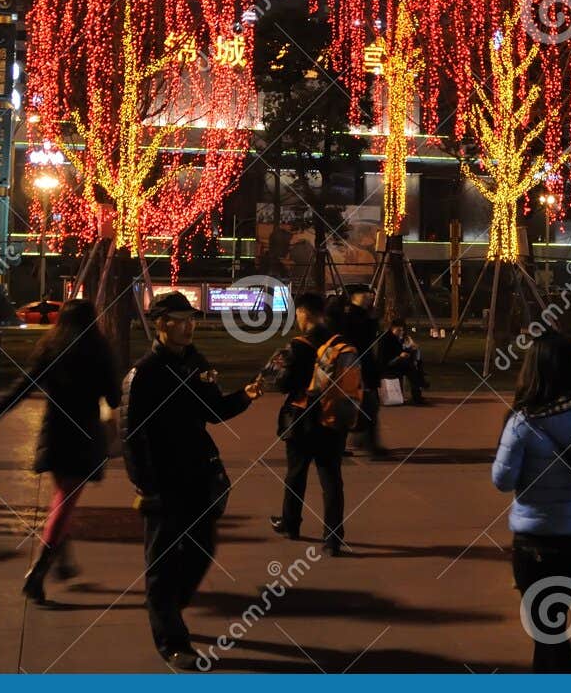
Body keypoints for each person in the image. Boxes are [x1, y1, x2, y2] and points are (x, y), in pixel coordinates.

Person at [121, 291, 262, 671]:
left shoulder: (196, 364)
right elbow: (132, 434)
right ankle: (171, 639)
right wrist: (145, 486)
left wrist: (244, 396)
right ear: (161, 323)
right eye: (180, 320)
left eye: (191, 319)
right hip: (163, 482)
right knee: (162, 563)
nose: (189, 326)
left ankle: (168, 606)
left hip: (199, 475)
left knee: (201, 551)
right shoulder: (144, 373)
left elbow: (212, 411)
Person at [0, 299, 120, 604]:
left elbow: (21, 386)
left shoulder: (51, 349)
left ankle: (63, 560)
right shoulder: (99, 351)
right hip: (83, 435)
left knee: (61, 499)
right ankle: (39, 571)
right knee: (65, 502)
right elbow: (114, 397)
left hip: (54, 432)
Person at [491, 330, 571, 672]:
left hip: (534, 537)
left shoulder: (521, 423)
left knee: (546, 630)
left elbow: (502, 481)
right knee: (551, 625)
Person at [270, 293, 348, 553]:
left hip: (303, 418)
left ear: (306, 313)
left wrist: (279, 371)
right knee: (331, 479)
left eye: (298, 313)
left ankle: (291, 524)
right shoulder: (338, 342)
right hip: (332, 417)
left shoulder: (299, 345)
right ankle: (333, 537)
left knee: (296, 473)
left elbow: (285, 383)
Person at [345, 286, 389, 457]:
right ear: (355, 296)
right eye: (366, 294)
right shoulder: (352, 317)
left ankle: (361, 440)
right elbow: (364, 338)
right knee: (368, 406)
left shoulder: (363, 315)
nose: (370, 297)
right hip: (356, 366)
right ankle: (370, 444)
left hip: (363, 366)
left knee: (364, 406)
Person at [381, 316, 428, 405]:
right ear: (392, 328)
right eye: (399, 330)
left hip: (398, 363)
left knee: (412, 366)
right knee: (411, 367)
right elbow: (385, 358)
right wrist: (400, 356)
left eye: (402, 330)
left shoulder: (397, 338)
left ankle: (418, 394)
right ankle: (420, 386)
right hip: (389, 364)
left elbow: (400, 351)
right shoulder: (386, 339)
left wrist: (408, 351)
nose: (401, 333)